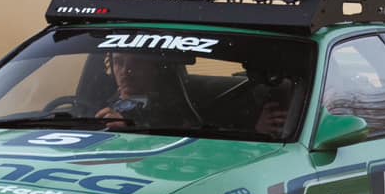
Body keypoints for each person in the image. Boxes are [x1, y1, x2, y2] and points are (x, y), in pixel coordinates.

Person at [97, 51, 291, 137]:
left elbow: (196, 146)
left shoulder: (179, 107)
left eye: (137, 63)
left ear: (154, 68)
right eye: (119, 62)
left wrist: (254, 132)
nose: (126, 71)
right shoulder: (91, 103)